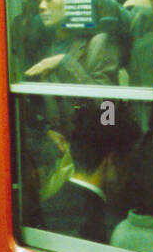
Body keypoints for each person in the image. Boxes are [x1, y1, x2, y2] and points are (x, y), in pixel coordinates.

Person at [41, 101, 140, 244]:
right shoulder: (114, 229)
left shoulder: (45, 207)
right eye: (128, 162)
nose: (130, 172)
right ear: (112, 162)